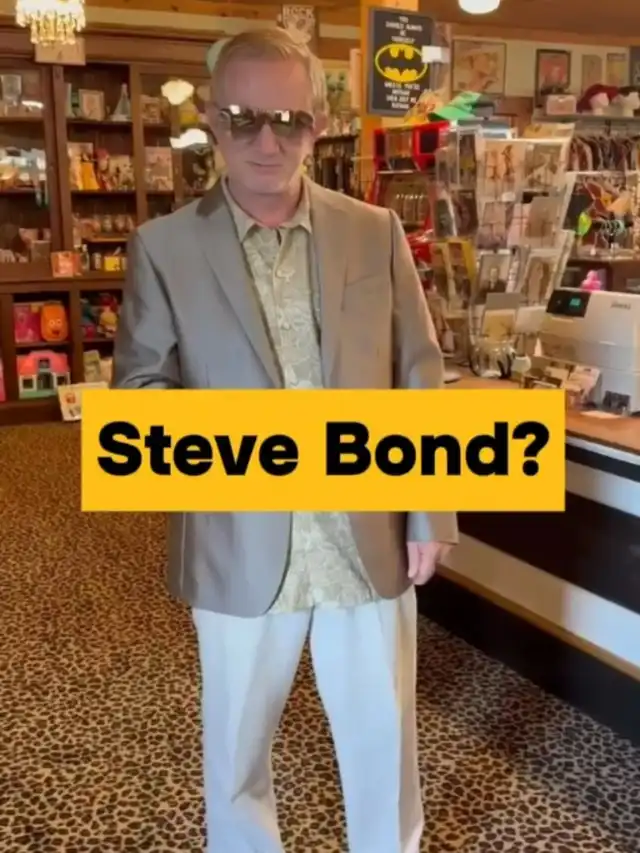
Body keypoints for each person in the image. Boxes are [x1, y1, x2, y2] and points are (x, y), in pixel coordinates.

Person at [113, 28, 458, 853]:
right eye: (243, 119)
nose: (266, 142)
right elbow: (140, 391)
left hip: (364, 529)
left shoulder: (374, 231)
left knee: (384, 735)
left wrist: (430, 509)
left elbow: (417, 370)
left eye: (288, 120)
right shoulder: (164, 247)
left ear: (317, 125)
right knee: (236, 746)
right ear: (211, 119)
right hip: (237, 532)